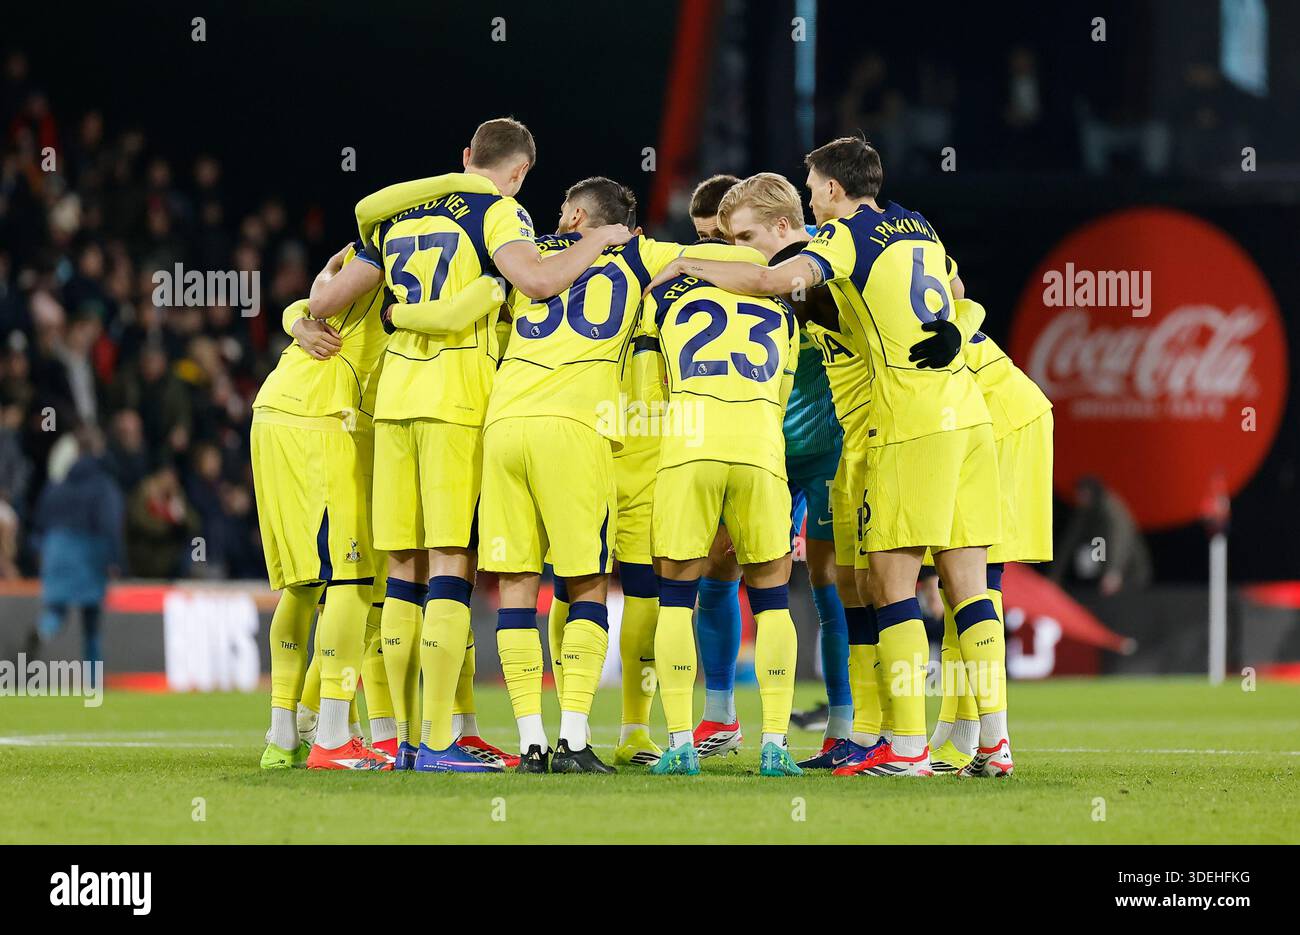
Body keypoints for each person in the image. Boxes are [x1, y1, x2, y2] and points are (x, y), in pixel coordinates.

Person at [644, 137, 1010, 778]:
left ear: (830, 194)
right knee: (961, 590)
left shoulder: (838, 241)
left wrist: (688, 267)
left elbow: (770, 278)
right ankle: (987, 744)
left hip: (903, 426)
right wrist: (960, 315)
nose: (812, 194)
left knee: (887, 589)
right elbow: (949, 281)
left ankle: (907, 749)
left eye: (813, 187)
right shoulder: (913, 223)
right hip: (965, 416)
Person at [310, 118, 633, 773]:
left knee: (401, 572)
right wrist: (596, 238)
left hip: (392, 394)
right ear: (517, 173)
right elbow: (537, 281)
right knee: (449, 563)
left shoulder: (397, 216)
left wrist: (300, 316)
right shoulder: (500, 212)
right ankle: (438, 741)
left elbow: (327, 301)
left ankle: (394, 737)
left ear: (464, 155)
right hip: (456, 399)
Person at [476, 177, 682, 773]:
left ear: (578, 213)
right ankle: (571, 739)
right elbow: (722, 263)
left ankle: (529, 742)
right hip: (574, 429)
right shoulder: (639, 254)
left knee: (516, 586)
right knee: (587, 583)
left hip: (504, 424)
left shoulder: (524, 253)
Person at [714, 172, 884, 770]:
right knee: (719, 564)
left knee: (833, 583)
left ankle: (844, 725)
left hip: (833, 448)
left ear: (785, 228)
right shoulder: (744, 274)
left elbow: (943, 280)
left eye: (744, 237)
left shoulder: (831, 258)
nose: (736, 250)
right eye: (726, 239)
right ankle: (720, 715)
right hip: (763, 447)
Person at [641, 240, 803, 778]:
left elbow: (652, 386)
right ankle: (777, 744)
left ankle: (682, 743)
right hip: (759, 449)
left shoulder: (665, 295)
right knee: (774, 601)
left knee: (675, 601)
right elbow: (782, 393)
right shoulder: (782, 305)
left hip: (689, 449)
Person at [26, 427, 123, 681]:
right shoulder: (103, 484)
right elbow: (110, 523)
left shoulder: (57, 484)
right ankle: (93, 680)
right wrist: (115, 560)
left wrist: (40, 550)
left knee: (56, 611)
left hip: (55, 549)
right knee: (91, 623)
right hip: (88, 551)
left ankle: (43, 630)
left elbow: (39, 522)